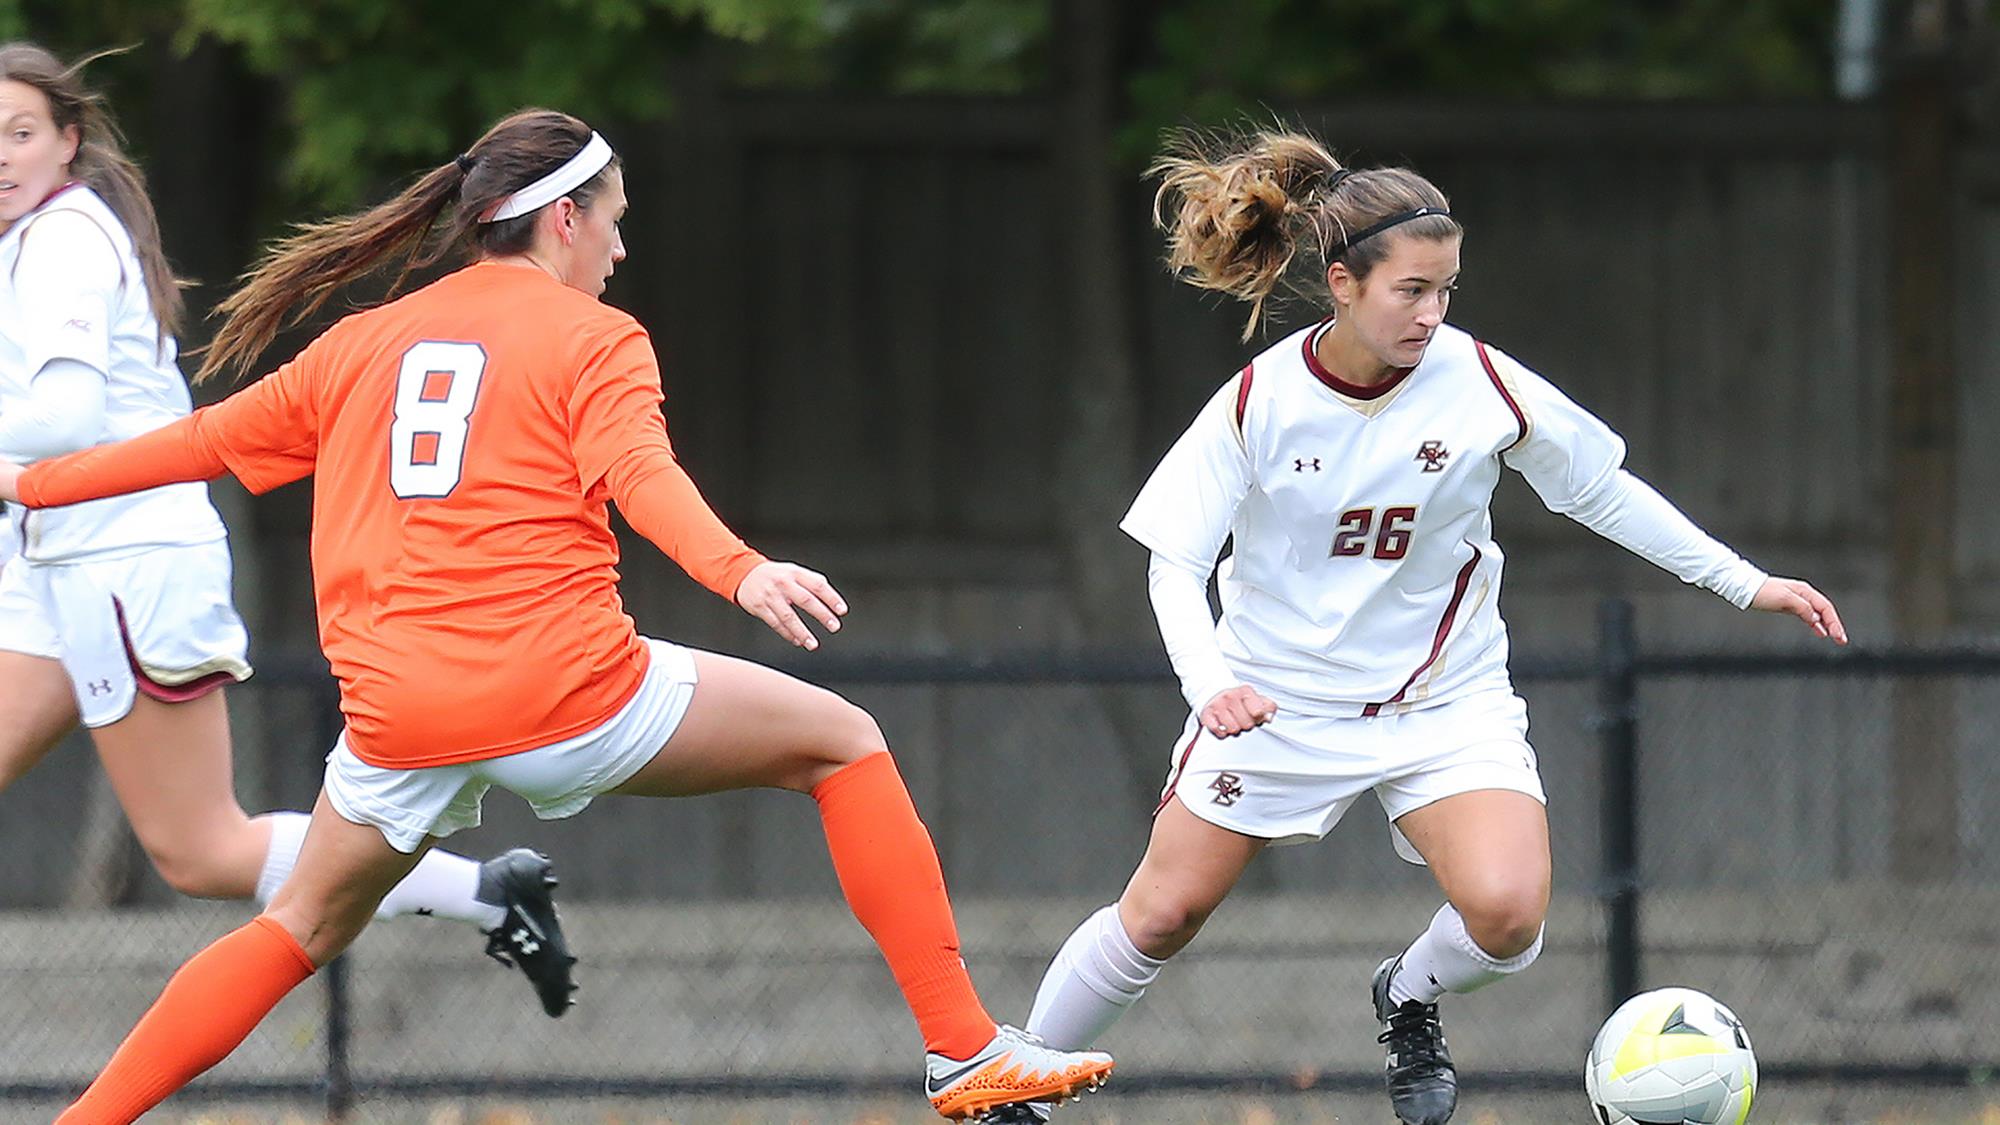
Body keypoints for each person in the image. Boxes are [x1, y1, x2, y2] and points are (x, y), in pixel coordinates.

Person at [2, 107, 1115, 1125]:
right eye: (616, 222)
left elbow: (189, 446)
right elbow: (642, 473)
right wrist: (741, 572)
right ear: (565, 218)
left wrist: (24, 485)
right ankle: (963, 1053)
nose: (621, 250)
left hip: (396, 717)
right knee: (842, 744)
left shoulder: (362, 342)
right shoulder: (596, 338)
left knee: (295, 926)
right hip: (560, 691)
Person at [993, 127, 1848, 1125]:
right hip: (1276, 700)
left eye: (1445, 289)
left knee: (1506, 916)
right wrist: (1207, 685)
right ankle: (1020, 1088)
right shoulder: (1258, 403)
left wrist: (1744, 582)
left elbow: (1597, 490)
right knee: (1162, 914)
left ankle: (1404, 997)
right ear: (1344, 281)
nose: (1431, 313)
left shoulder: (1477, 379)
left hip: (1442, 697)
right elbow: (1173, 563)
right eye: (1410, 290)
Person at [0, 42, 574, 1016]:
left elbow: (59, 422)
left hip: (124, 564)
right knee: (197, 849)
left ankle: (486, 893)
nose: (1, 154)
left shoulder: (61, 239)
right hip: (60, 557)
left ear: (69, 140)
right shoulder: (28, 239)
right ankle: (487, 893)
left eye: (19, 132)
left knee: (201, 848)